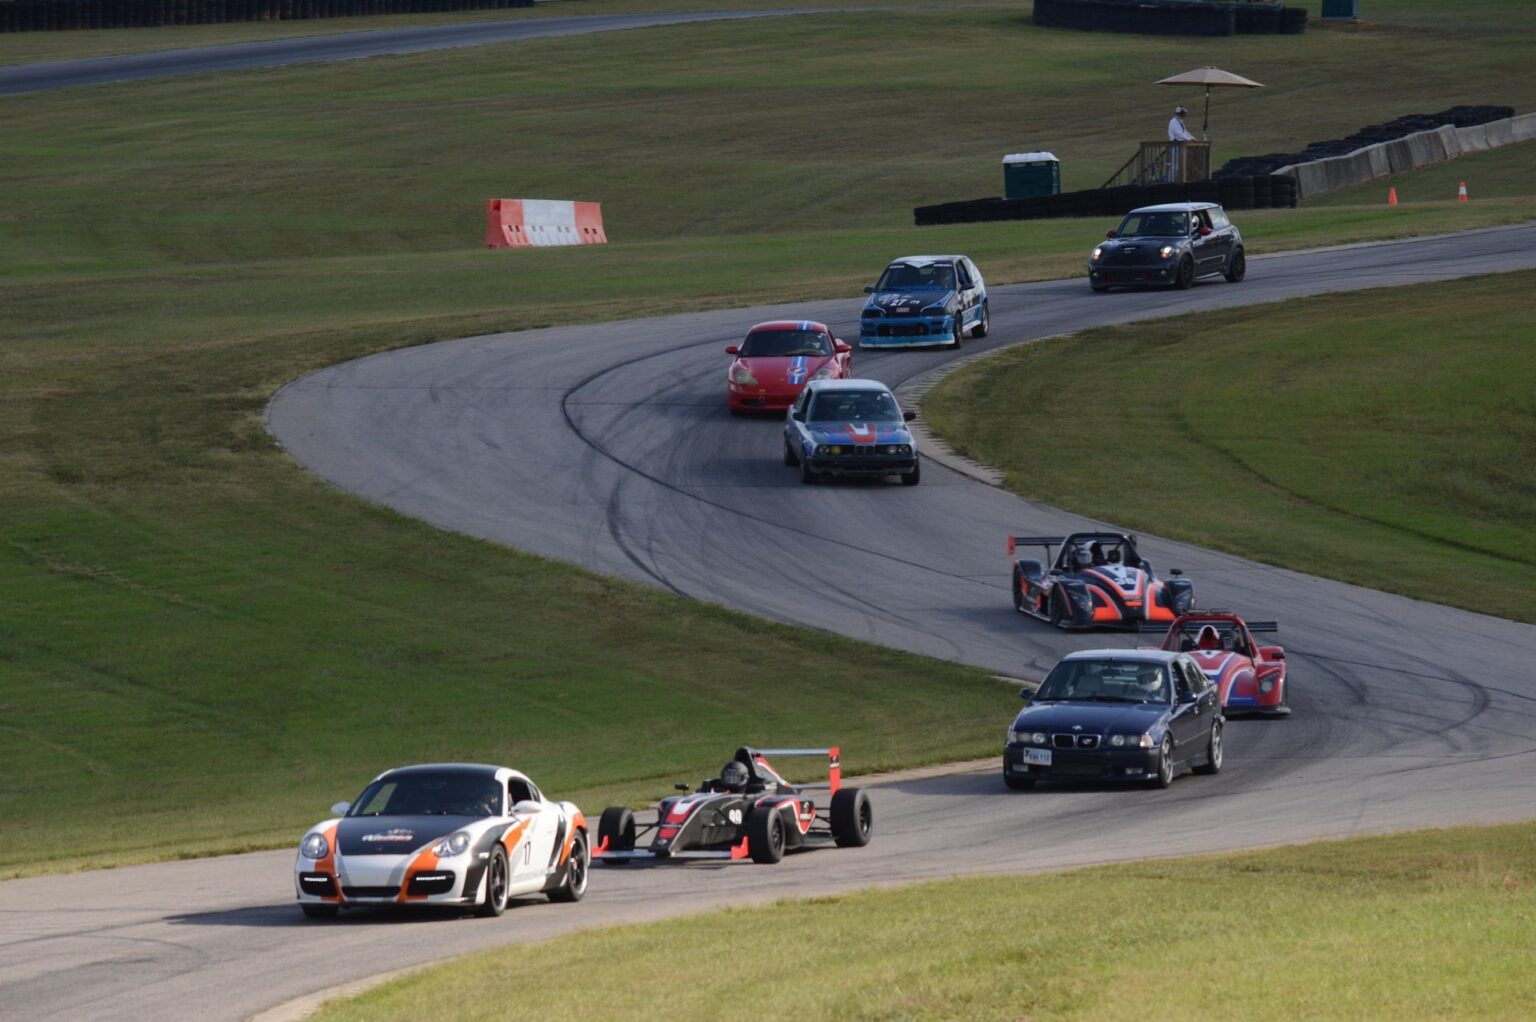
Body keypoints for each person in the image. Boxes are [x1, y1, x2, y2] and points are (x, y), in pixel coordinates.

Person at [1167, 105, 1197, 181]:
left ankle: (1177, 180)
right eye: (1183, 113)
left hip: (1180, 146)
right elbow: (1179, 133)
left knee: (1180, 164)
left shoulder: (1180, 121)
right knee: (1175, 164)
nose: (1185, 114)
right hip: (1175, 145)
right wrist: (1188, 139)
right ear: (1180, 113)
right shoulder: (1173, 121)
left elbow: (1185, 132)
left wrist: (1192, 138)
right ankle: (1171, 181)